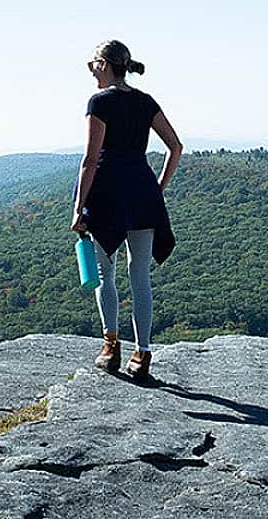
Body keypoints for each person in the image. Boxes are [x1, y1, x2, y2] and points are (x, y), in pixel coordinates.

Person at [71, 40, 182, 381]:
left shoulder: (99, 102)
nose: (91, 71)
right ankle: (143, 353)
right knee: (140, 276)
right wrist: (157, 189)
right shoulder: (145, 101)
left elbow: (91, 161)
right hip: (142, 192)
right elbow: (175, 147)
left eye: (93, 65)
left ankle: (110, 347)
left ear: (104, 65)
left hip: (107, 194)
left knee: (106, 273)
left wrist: (78, 208)